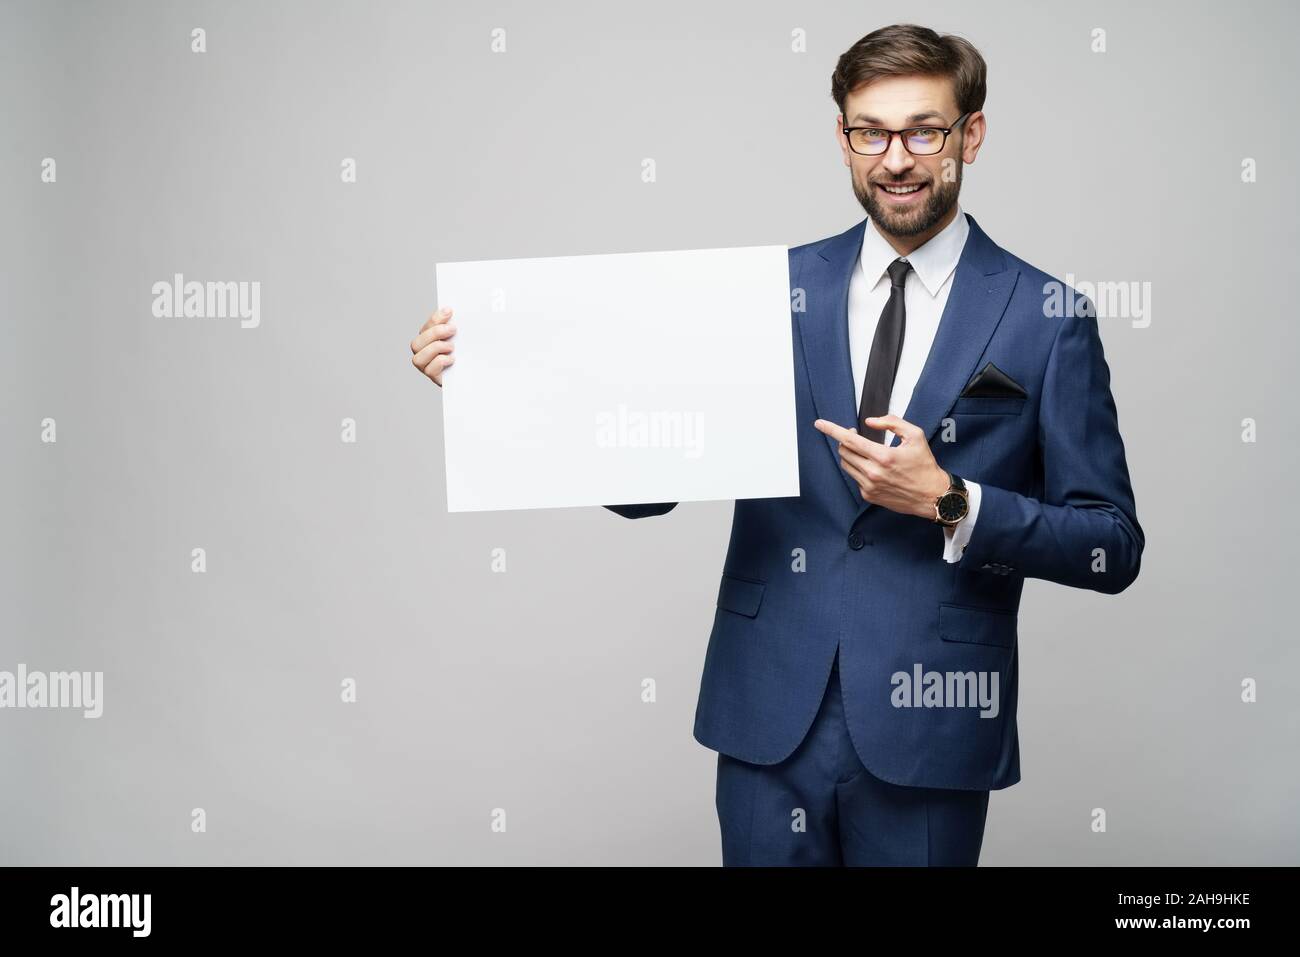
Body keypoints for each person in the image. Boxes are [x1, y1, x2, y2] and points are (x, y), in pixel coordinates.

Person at [410, 23, 1143, 866]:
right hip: (768, 714)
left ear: (970, 134)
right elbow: (650, 475)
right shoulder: (766, 291)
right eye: (870, 132)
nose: (895, 158)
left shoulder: (1046, 318)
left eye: (923, 131)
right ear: (842, 139)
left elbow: (1111, 546)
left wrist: (950, 499)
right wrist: (497, 387)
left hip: (933, 724)